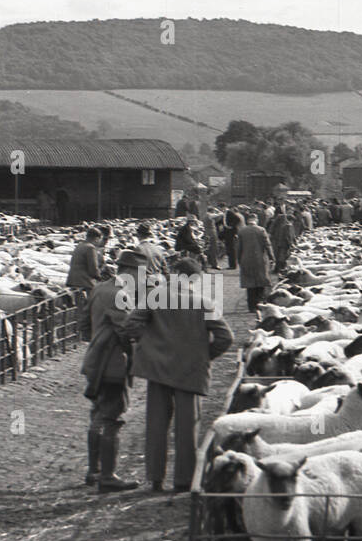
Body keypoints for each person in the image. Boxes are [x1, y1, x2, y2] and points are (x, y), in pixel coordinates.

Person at [119, 254, 233, 493]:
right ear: (194, 278)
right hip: (189, 371)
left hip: (158, 369)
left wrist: (149, 345)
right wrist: (204, 355)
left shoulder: (154, 297)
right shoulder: (204, 302)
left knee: (156, 424)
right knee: (187, 426)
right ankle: (184, 480)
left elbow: (131, 325)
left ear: (173, 274)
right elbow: (225, 337)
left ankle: (155, 478)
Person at [78, 250, 143, 492]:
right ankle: (108, 475)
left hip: (95, 359)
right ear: (130, 272)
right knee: (112, 416)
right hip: (112, 362)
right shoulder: (120, 294)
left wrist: (96, 339)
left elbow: (84, 322)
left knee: (97, 414)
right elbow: (127, 329)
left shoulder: (100, 288)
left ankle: (94, 470)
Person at [237, 210, 275, 312]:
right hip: (260, 259)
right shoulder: (261, 230)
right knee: (261, 281)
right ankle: (260, 304)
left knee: (250, 283)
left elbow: (238, 247)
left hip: (246, 259)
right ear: (256, 220)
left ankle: (251, 306)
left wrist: (239, 259)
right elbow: (268, 245)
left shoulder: (242, 231)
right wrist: (272, 257)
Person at [66, 227, 105, 295]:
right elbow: (93, 269)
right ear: (96, 239)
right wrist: (100, 278)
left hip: (72, 280)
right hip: (84, 282)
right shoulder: (90, 248)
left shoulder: (80, 245)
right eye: (99, 239)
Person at [268, 204, 294, 272]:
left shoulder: (290, 218)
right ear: (286, 211)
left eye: (292, 211)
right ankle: (277, 268)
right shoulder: (280, 217)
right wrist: (270, 233)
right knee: (277, 254)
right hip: (277, 238)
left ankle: (281, 268)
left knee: (283, 255)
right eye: (289, 211)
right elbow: (273, 225)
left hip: (284, 239)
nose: (290, 213)